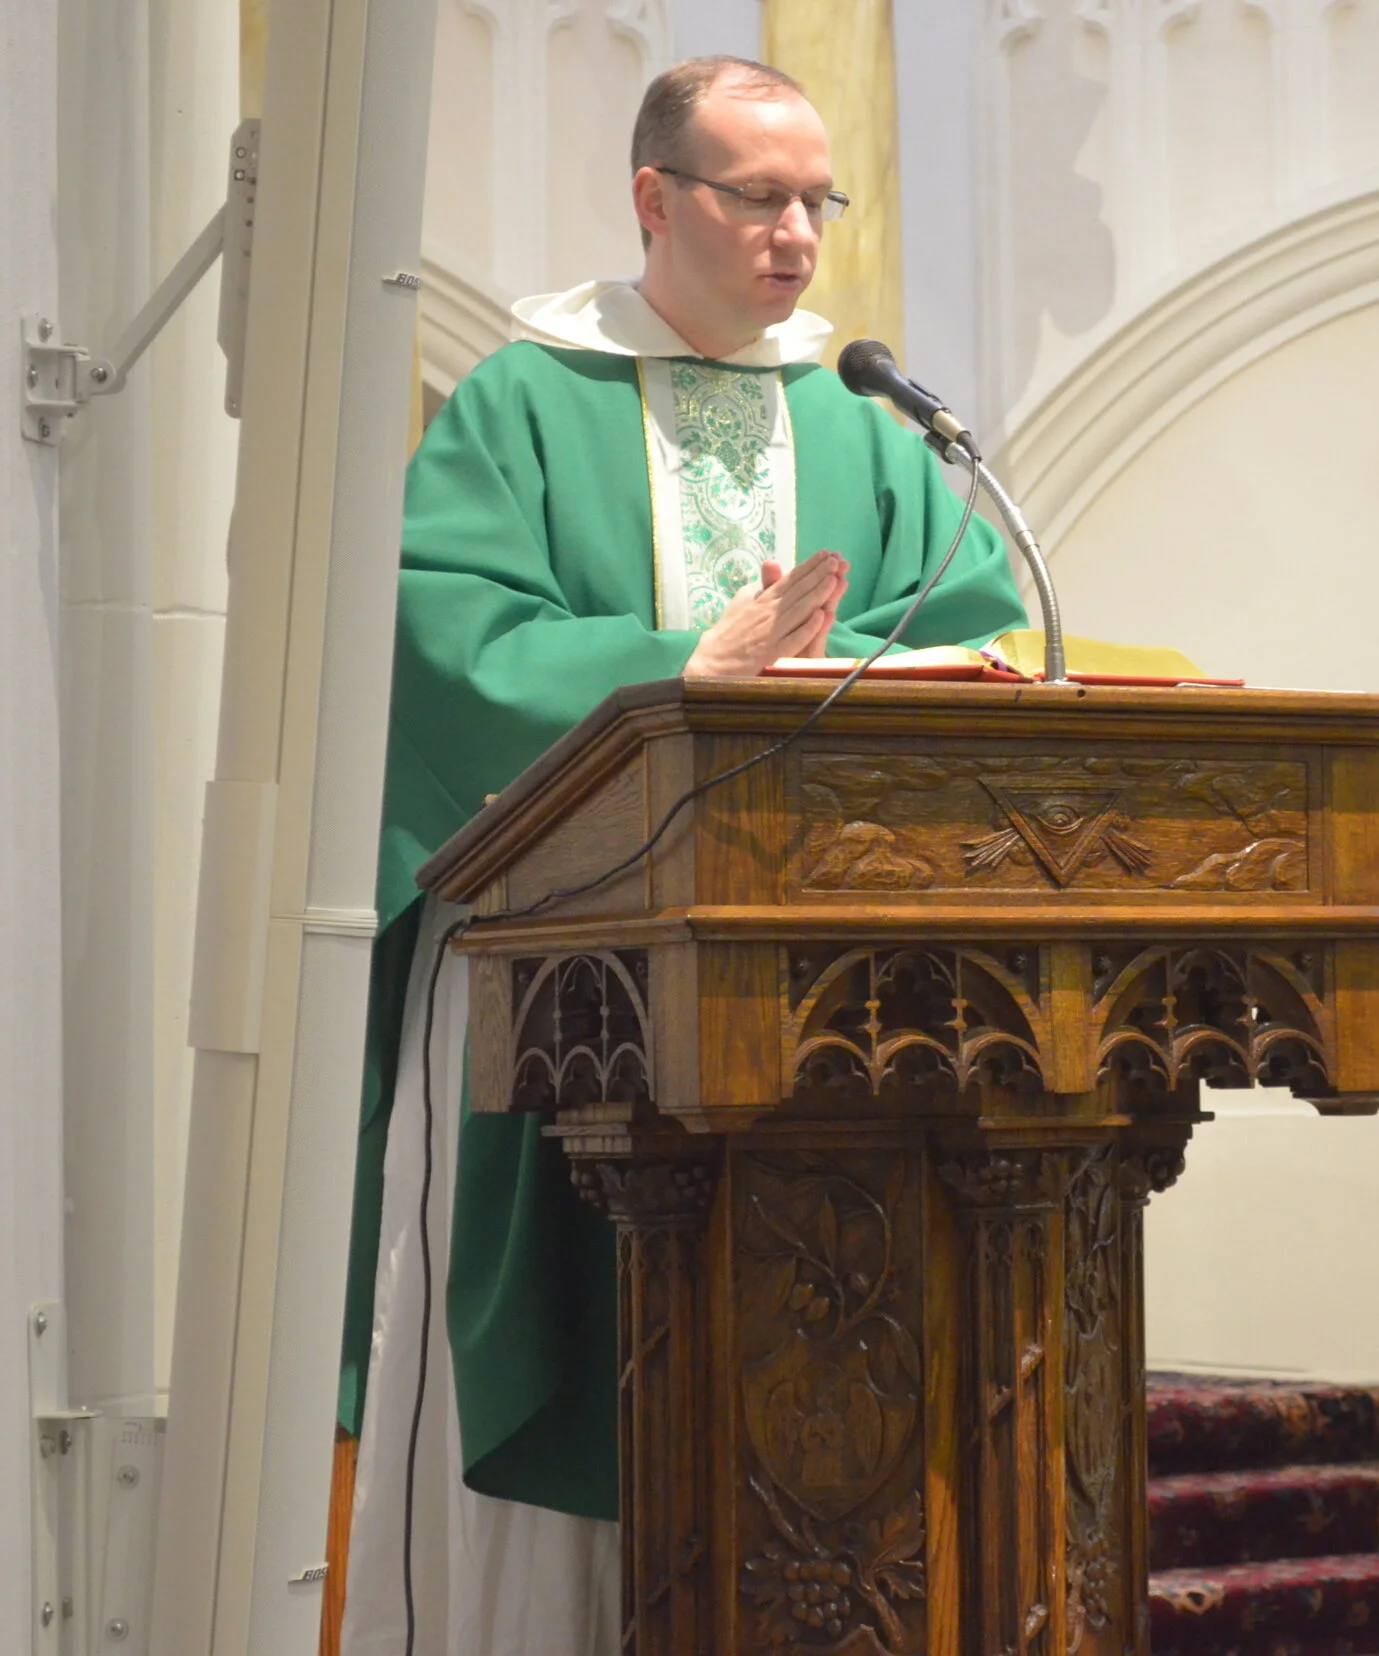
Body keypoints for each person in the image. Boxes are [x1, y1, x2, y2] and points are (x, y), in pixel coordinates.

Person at [335, 55, 1027, 1649]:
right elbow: (447, 643)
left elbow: (976, 629)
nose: (798, 235)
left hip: (823, 995)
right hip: (547, 965)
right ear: (656, 198)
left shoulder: (857, 421)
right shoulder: (525, 400)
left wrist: (858, 671)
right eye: (759, 197)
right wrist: (675, 671)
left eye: (816, 201)